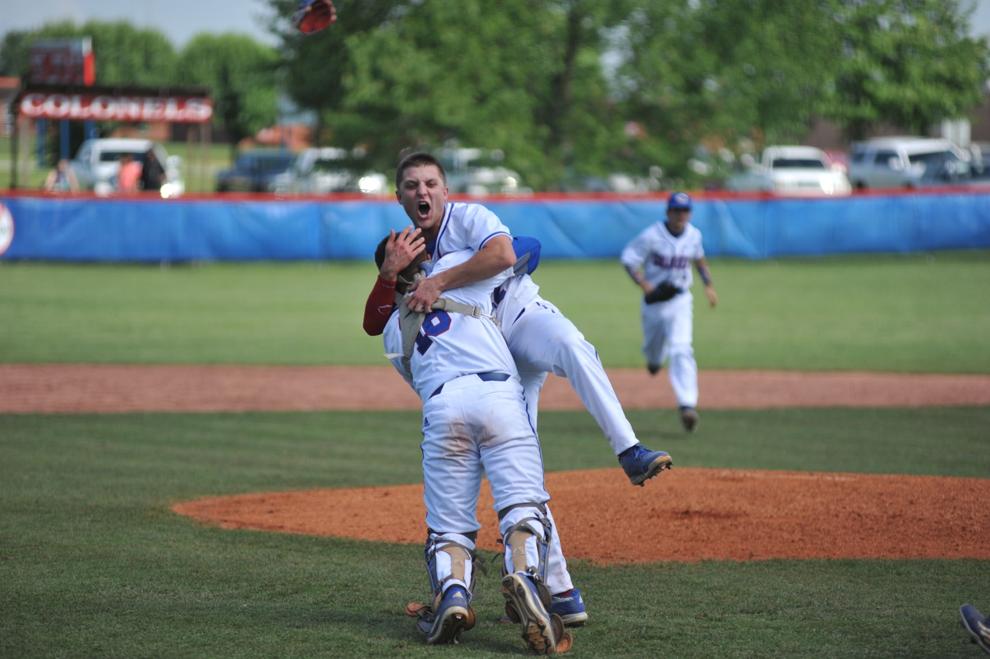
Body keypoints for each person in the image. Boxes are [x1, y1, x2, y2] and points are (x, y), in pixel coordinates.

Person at [378, 240, 572, 654]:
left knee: (449, 527)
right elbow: (529, 248)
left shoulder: (393, 330)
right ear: (428, 262)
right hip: (499, 398)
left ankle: (452, 595)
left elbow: (414, 375)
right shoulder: (464, 276)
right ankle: (525, 575)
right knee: (523, 508)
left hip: (442, 405)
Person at [620, 191, 718, 432]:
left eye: (685, 210)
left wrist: (708, 286)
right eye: (676, 210)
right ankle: (653, 360)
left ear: (689, 213)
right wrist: (645, 286)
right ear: (668, 211)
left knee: (681, 348)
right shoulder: (652, 235)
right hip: (654, 303)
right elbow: (629, 259)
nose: (680, 214)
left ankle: (687, 405)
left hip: (681, 301)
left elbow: (699, 259)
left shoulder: (694, 235)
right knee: (654, 350)